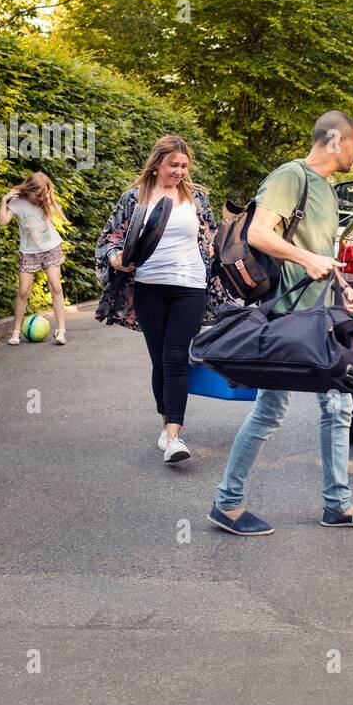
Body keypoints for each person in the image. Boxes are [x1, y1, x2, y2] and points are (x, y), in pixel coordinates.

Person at [208, 111, 353, 536]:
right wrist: (307, 260)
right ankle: (227, 504)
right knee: (271, 410)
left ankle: (338, 505)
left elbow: (319, 250)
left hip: (320, 314)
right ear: (333, 141)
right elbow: (258, 233)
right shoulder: (292, 176)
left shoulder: (325, 188)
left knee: (340, 405)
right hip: (286, 317)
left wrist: (343, 285)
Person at [94, 134, 229, 465]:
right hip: (149, 286)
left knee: (175, 357)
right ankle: (166, 421)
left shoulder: (196, 198)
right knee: (159, 359)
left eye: (184, 166)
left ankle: (173, 436)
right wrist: (115, 259)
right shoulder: (133, 198)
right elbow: (108, 238)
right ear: (157, 165)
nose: (180, 172)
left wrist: (216, 249)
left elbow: (212, 236)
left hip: (190, 285)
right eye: (173, 165)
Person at [0, 172, 69, 346]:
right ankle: (16, 331)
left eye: (43, 193)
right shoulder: (17, 202)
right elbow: (3, 221)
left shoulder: (45, 201)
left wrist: (47, 197)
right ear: (28, 190)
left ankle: (61, 330)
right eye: (37, 194)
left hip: (50, 247)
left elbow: (54, 207)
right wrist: (4, 201)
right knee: (23, 290)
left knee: (56, 286)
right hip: (28, 251)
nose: (40, 197)